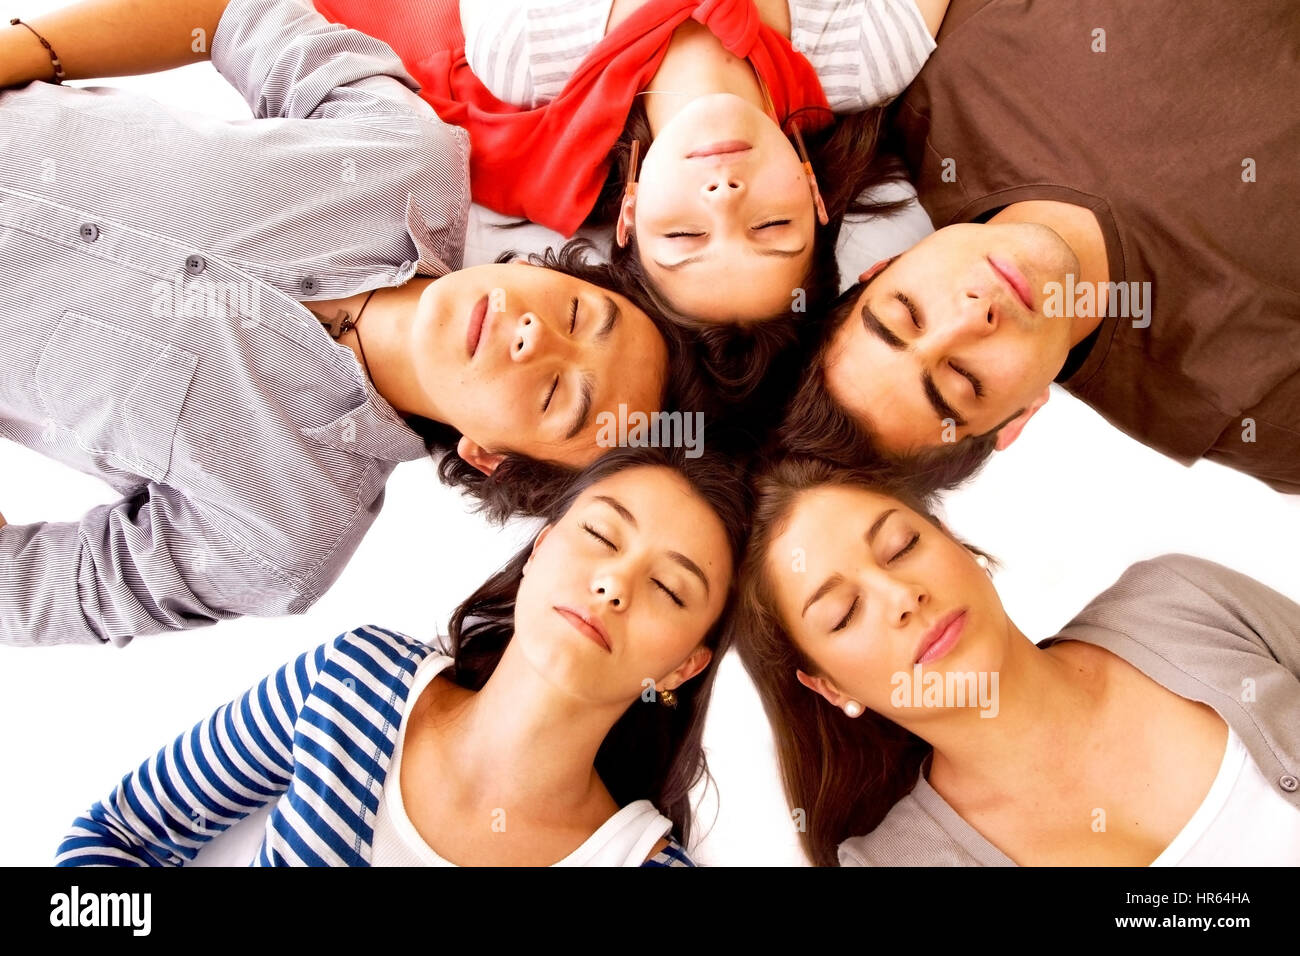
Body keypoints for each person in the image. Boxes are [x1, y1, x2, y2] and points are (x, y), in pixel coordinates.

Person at [0, 0, 704, 648]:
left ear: (491, 456)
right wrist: (21, 50)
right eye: (580, 313)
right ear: (552, 269)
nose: (536, 337)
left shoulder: (282, 537)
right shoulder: (410, 157)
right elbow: (229, 14)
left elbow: (42, 591)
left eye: (558, 396)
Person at [55, 446, 750, 867]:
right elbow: (122, 830)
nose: (614, 583)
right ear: (540, 551)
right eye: (601, 534)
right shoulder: (354, 682)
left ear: (684, 667)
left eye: (668, 586)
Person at [311, 0, 947, 406]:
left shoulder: (520, 52)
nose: (724, 198)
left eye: (687, 238)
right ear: (813, 192)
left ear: (631, 212)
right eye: (770, 225)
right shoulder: (871, 52)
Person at [789, 0, 1300, 494]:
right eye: (964, 379)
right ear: (1018, 420)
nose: (972, 316)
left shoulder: (948, 59)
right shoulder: (1251, 410)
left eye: (908, 312)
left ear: (883, 267)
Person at [734, 456, 1300, 866]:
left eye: (902, 547)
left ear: (953, 540)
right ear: (830, 687)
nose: (902, 597)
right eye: (844, 611)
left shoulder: (1179, 600)